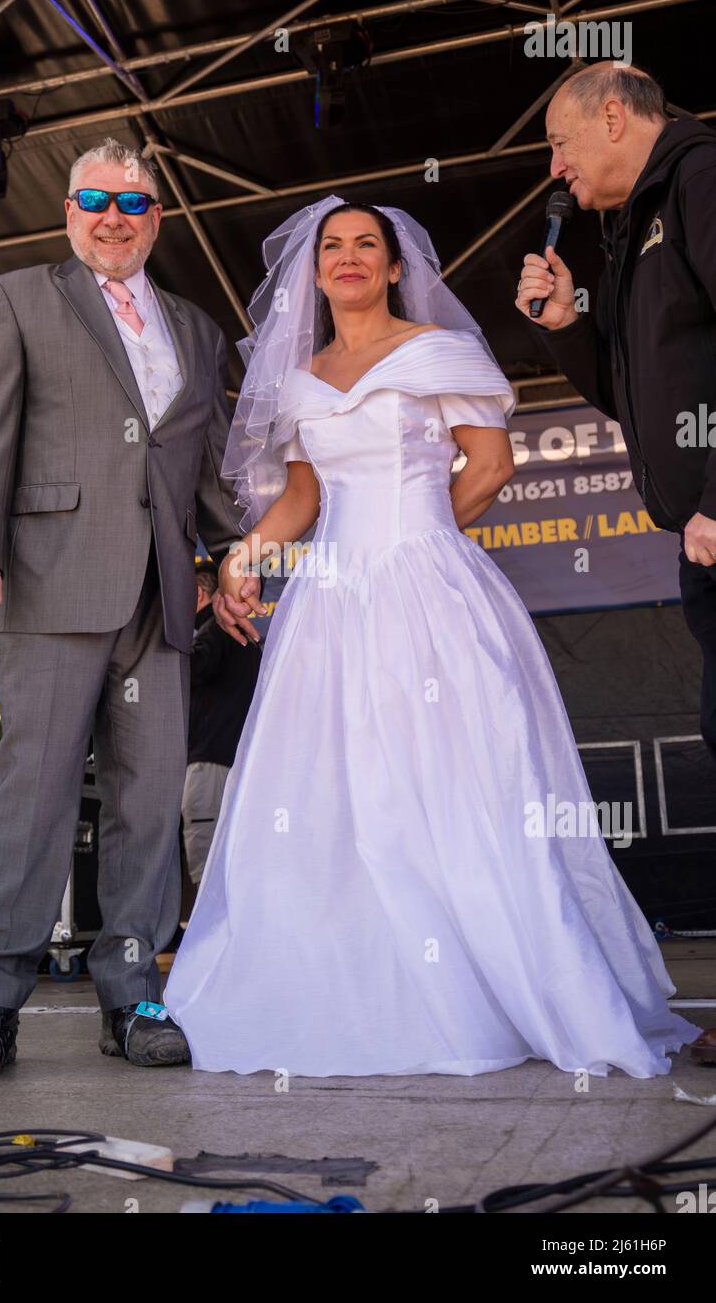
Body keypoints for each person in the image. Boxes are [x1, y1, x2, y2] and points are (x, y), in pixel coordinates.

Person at [162, 195, 702, 1078]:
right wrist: (242, 557)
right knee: (334, 786)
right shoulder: (298, 378)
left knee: (460, 780)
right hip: (328, 603)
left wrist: (416, 542)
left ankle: (503, 983)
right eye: (331, 247)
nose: (346, 259)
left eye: (364, 245)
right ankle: (354, 984)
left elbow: (489, 466)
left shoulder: (438, 350)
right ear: (314, 269)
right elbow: (301, 498)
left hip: (430, 587)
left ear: (394, 263)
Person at [0, 137, 261, 1079]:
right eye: (93, 198)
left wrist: (241, 561)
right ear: (67, 209)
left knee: (149, 805)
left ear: (157, 216)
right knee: (29, 800)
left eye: (133, 201)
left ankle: (133, 996)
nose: (112, 216)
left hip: (161, 601)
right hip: (48, 583)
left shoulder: (197, 330)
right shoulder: (17, 298)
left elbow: (200, 479)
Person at [515, 62, 716, 1068]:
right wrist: (567, 327)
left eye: (559, 144)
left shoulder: (701, 177)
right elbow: (632, 390)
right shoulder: (631, 225)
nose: (555, 167)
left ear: (612, 114)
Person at [182, 561, 262, 884]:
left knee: (206, 858)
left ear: (200, 594)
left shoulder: (213, 633)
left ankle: (209, 928)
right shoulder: (249, 640)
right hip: (241, 762)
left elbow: (190, 674)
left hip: (210, 760)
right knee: (234, 856)